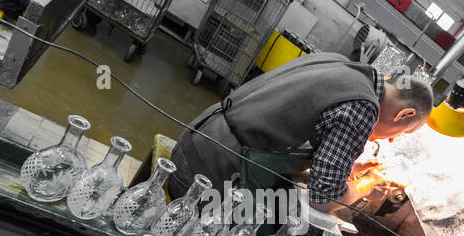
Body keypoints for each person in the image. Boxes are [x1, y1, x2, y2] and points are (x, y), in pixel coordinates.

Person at [168, 52, 435, 220]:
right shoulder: (363, 107)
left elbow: (288, 124)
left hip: (197, 138)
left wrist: (350, 167)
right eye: (400, 134)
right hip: (207, 176)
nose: (389, 141)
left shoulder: (341, 64)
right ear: (404, 115)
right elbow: (323, 199)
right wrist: (366, 186)